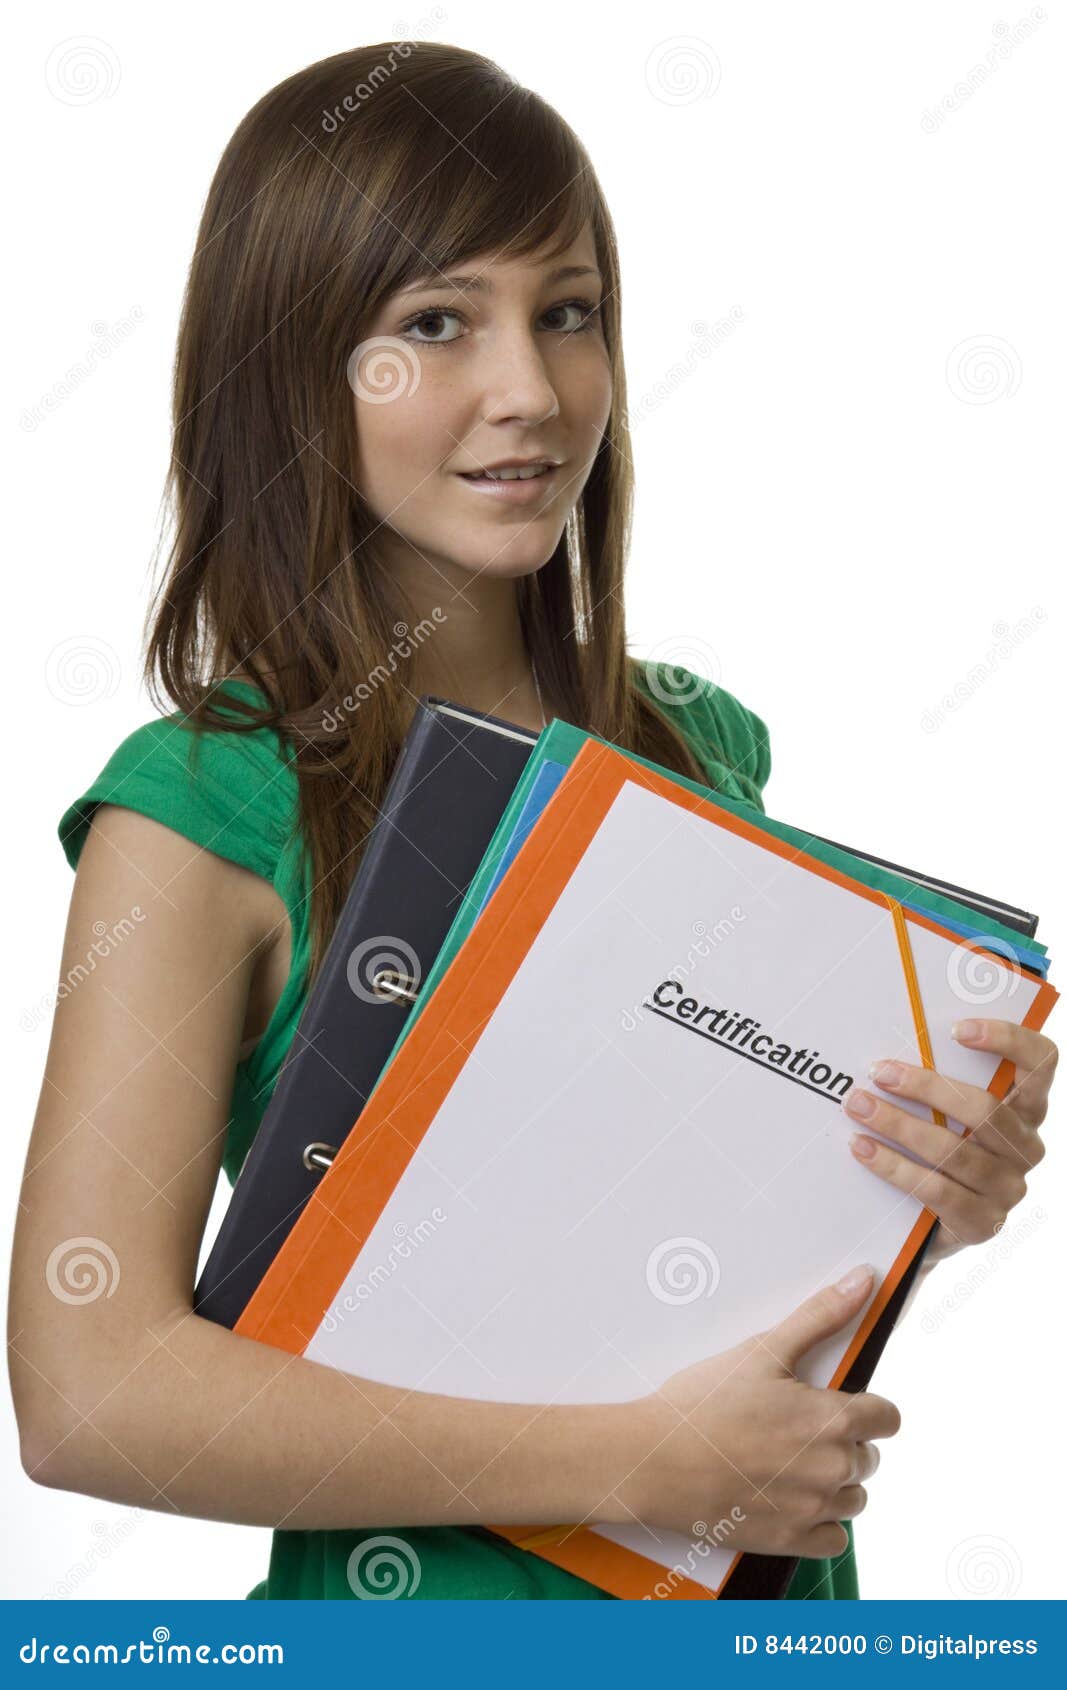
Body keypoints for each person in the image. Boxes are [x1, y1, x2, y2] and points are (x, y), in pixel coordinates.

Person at [9, 42, 1055, 1604]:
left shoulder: (693, 747)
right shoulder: (208, 807)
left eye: (569, 313)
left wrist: (920, 1176)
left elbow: (659, 1244)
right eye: (436, 324)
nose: (532, 390)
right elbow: (89, 1391)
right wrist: (638, 1464)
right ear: (294, 365)